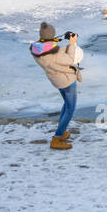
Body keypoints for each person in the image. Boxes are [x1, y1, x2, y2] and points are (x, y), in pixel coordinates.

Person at [31, 22, 82, 150]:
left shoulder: (38, 49)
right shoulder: (54, 54)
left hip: (57, 80)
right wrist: (72, 44)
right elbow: (70, 60)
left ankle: (62, 130)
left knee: (66, 104)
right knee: (70, 109)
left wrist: (60, 42)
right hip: (67, 81)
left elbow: (56, 53)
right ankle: (57, 138)